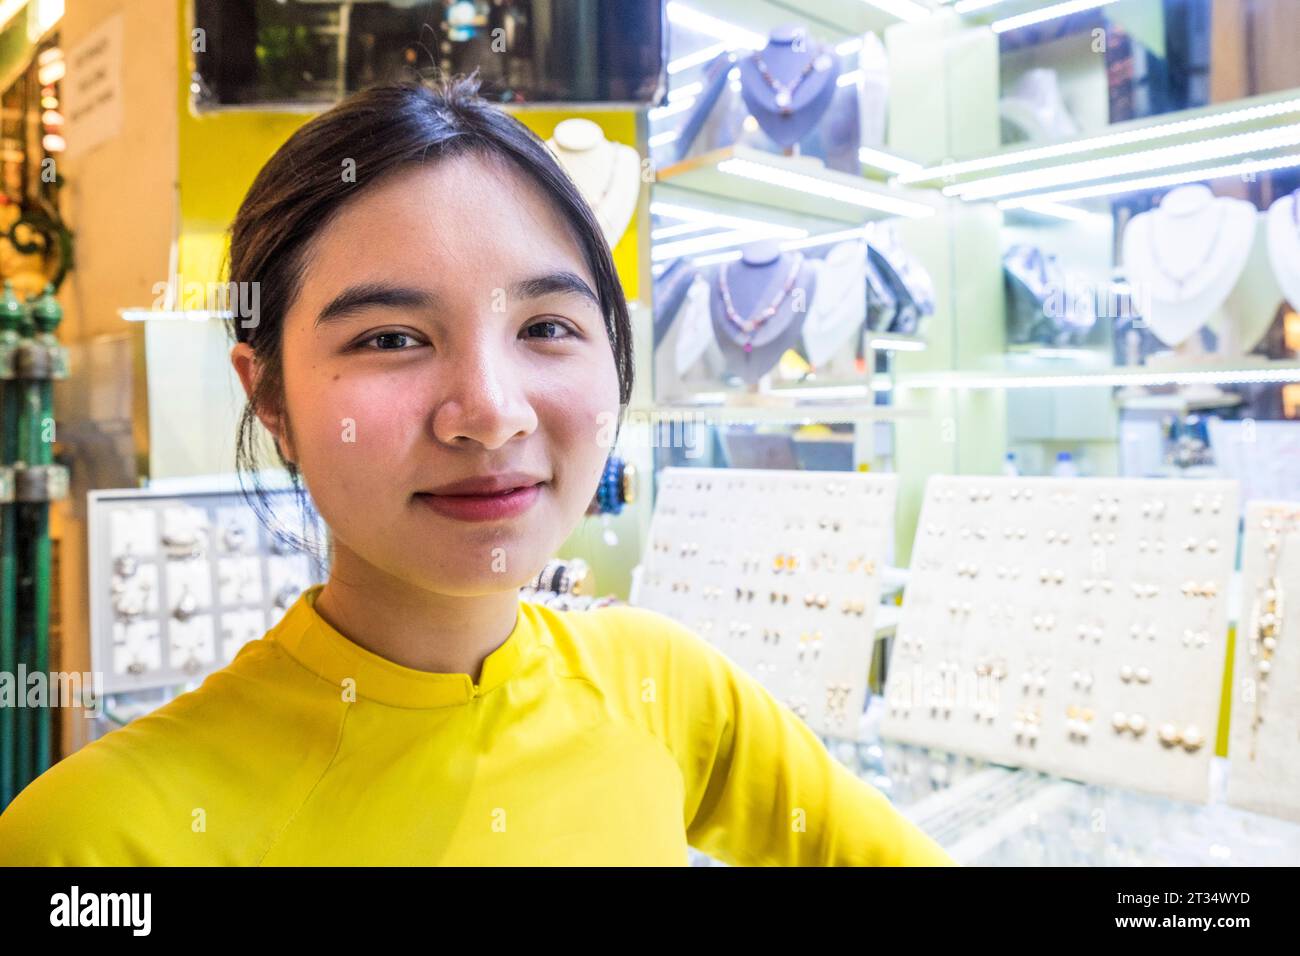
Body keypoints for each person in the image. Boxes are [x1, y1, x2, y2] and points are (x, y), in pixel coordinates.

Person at [0, 73, 952, 867]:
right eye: (390, 337)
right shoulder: (95, 842)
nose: (491, 411)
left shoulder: (668, 684)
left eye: (547, 326)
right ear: (272, 398)